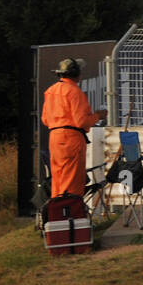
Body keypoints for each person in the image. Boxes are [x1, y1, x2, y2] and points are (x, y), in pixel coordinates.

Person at [41, 58, 106, 198]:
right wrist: (98, 116)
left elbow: (45, 119)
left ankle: (58, 213)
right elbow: (81, 121)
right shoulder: (74, 92)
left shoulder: (50, 91)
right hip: (71, 138)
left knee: (58, 178)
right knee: (73, 180)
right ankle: (71, 213)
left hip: (55, 137)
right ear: (77, 73)